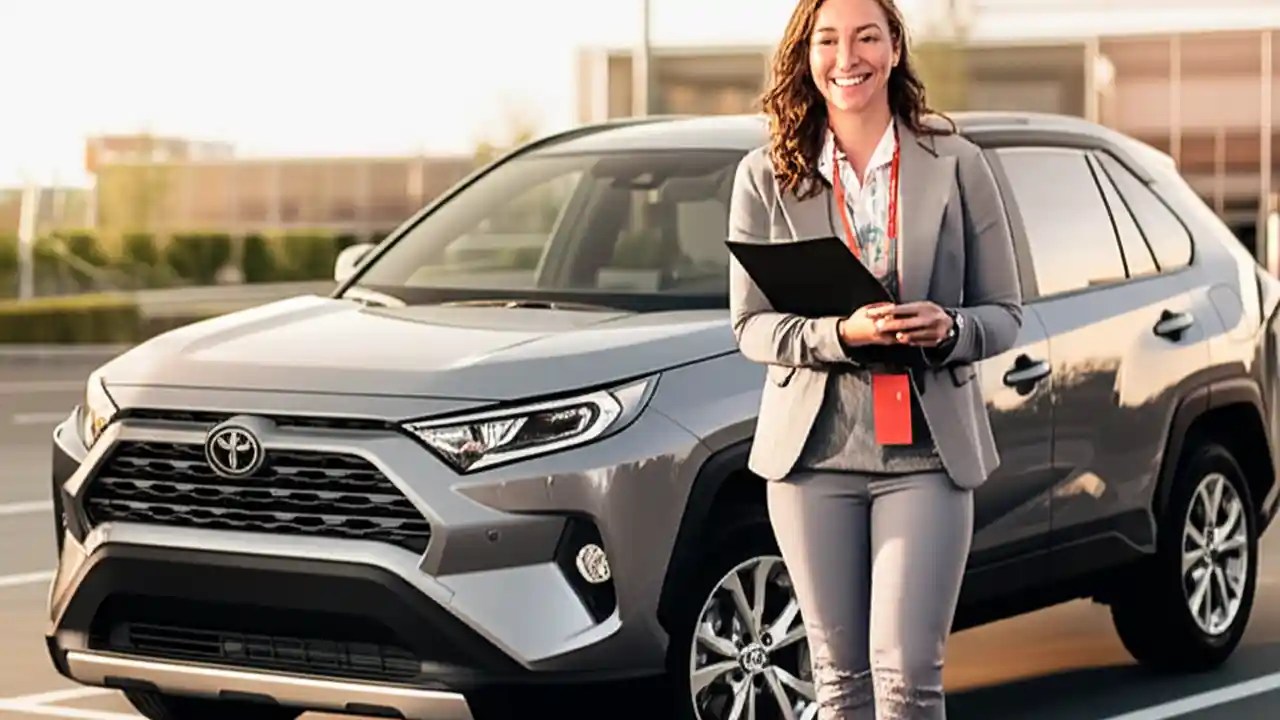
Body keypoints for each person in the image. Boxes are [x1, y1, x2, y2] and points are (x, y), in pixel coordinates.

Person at [727, 0, 1024, 717]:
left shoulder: (957, 164)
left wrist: (949, 328)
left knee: (907, 677)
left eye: (866, 36)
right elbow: (751, 327)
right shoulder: (764, 176)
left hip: (926, 460)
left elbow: (1004, 314)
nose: (846, 56)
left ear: (894, 48)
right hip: (810, 463)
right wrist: (841, 335)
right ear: (806, 55)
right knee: (838, 681)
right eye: (827, 40)